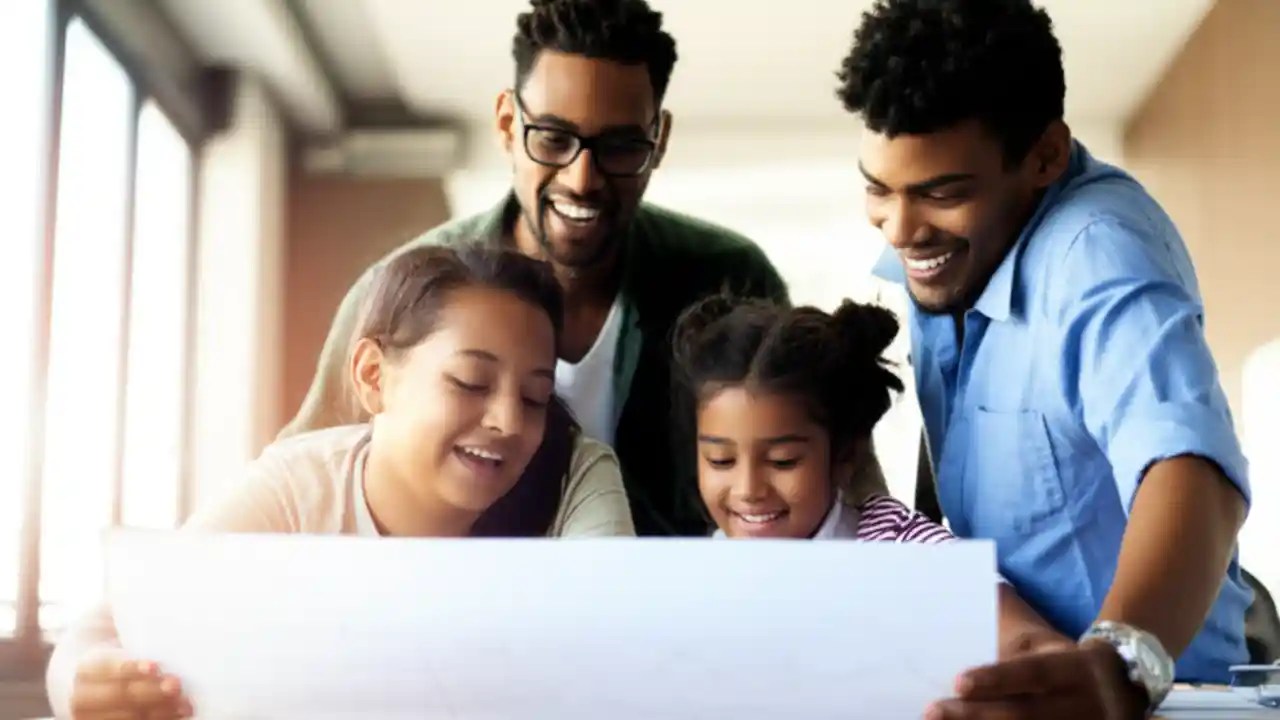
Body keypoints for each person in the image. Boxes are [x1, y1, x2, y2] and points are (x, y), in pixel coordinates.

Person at [837, 0, 1252, 717]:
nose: (900, 230)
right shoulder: (953, 250)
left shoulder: (1099, 252)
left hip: (1160, 701)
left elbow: (1192, 472)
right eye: (879, 189)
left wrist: (1118, 668)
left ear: (1045, 157)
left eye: (942, 192)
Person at [45, 245, 634, 720]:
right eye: (472, 383)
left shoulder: (574, 475)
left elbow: (619, 652)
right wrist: (83, 679)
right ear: (373, 376)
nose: (509, 421)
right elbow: (120, 617)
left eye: (535, 396)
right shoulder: (299, 485)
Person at [281, 0, 788, 537]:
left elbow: (829, 469)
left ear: (658, 140)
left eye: (619, 147)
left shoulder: (729, 280)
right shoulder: (405, 292)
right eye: (552, 138)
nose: (582, 179)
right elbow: (308, 474)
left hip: (687, 610)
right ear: (506, 123)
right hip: (448, 604)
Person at [670, 293, 1073, 655]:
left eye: (783, 461)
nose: (748, 490)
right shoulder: (704, 577)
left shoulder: (907, 556)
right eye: (721, 461)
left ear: (846, 454)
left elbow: (1033, 648)